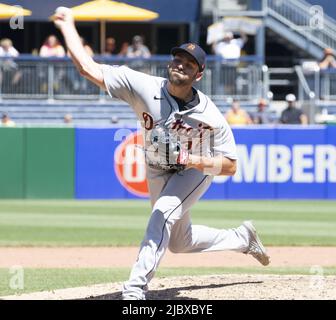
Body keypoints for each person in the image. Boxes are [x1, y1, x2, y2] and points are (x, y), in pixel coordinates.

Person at [53, 6, 270, 300]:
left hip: (194, 169)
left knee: (161, 213)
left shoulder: (211, 116)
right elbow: (87, 68)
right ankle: (241, 238)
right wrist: (67, 25)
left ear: (199, 74)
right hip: (157, 166)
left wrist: (192, 159)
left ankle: (135, 288)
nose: (180, 64)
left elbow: (230, 166)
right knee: (180, 242)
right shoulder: (143, 86)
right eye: (178, 59)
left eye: (189, 63)